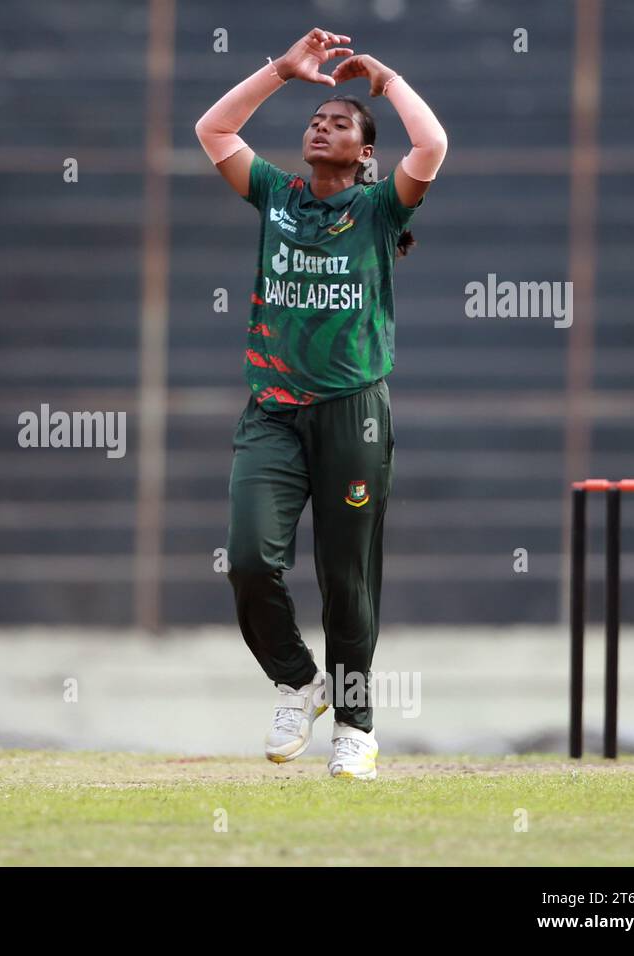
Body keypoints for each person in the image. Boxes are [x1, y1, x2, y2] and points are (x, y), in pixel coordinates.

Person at [194, 28, 448, 779]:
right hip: (271, 409)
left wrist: (388, 81)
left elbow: (431, 146)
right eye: (315, 118)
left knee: (348, 578)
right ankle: (300, 681)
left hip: (353, 413)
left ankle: (356, 728)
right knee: (247, 560)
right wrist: (280, 70)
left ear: (365, 151)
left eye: (339, 122)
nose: (320, 125)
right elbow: (214, 128)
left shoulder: (378, 209)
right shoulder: (276, 195)